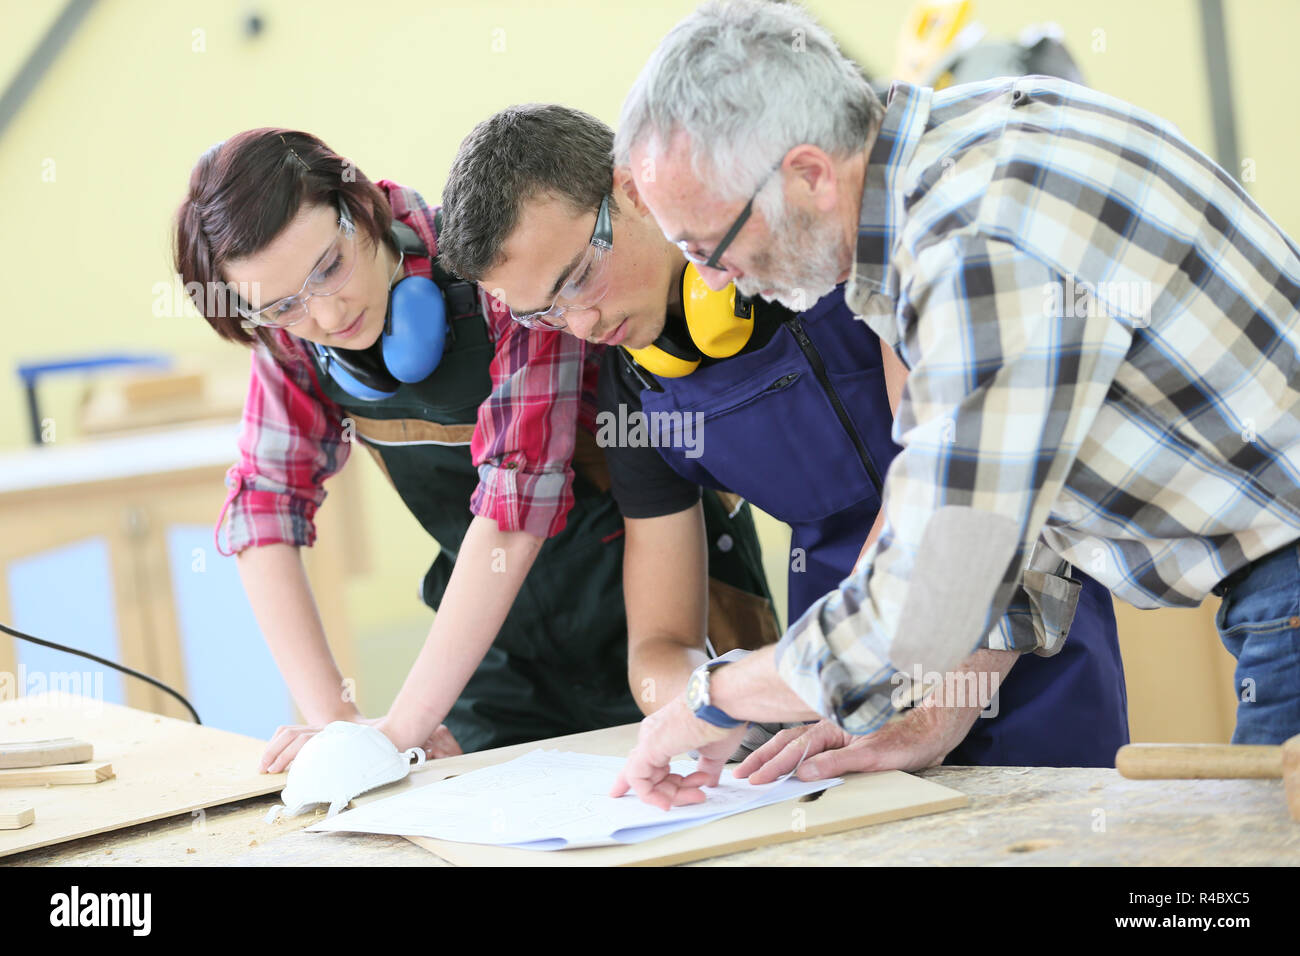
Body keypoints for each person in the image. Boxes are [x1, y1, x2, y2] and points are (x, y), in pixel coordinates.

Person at [610, 0, 1300, 809]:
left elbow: (927, 597)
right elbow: (1016, 512)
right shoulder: (965, 152)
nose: (717, 283)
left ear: (807, 174)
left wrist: (716, 696)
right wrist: (938, 708)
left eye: (709, 248)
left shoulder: (971, 246)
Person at [436, 103, 1129, 781]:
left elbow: (987, 491)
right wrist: (715, 700)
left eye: (579, 277)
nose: (579, 322)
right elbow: (658, 642)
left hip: (1008, 628)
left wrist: (927, 702)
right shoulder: (633, 388)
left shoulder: (829, 254)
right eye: (543, 314)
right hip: (831, 647)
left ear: (633, 190)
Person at [172, 127, 774, 771]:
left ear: (358, 204)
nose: (326, 314)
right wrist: (340, 729)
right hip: (498, 644)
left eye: (330, 267)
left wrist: (400, 727)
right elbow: (263, 512)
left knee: (717, 800)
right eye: (285, 304)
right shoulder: (290, 335)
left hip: (656, 607)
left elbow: (519, 500)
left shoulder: (492, 270)